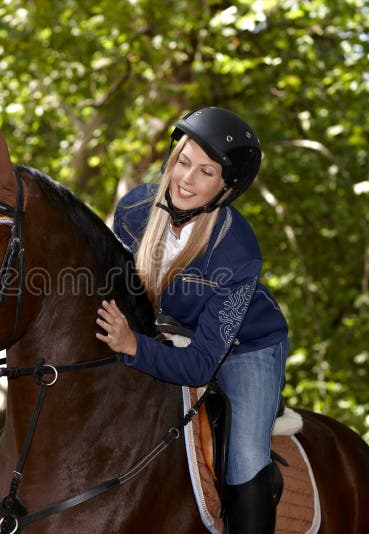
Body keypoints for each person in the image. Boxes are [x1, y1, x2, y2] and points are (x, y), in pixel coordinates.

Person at [96, 107, 289, 533]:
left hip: (244, 348)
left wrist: (133, 346)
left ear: (226, 186)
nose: (186, 179)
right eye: (183, 162)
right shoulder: (135, 209)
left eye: (206, 172)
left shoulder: (238, 251)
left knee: (245, 457)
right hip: (162, 329)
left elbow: (202, 365)